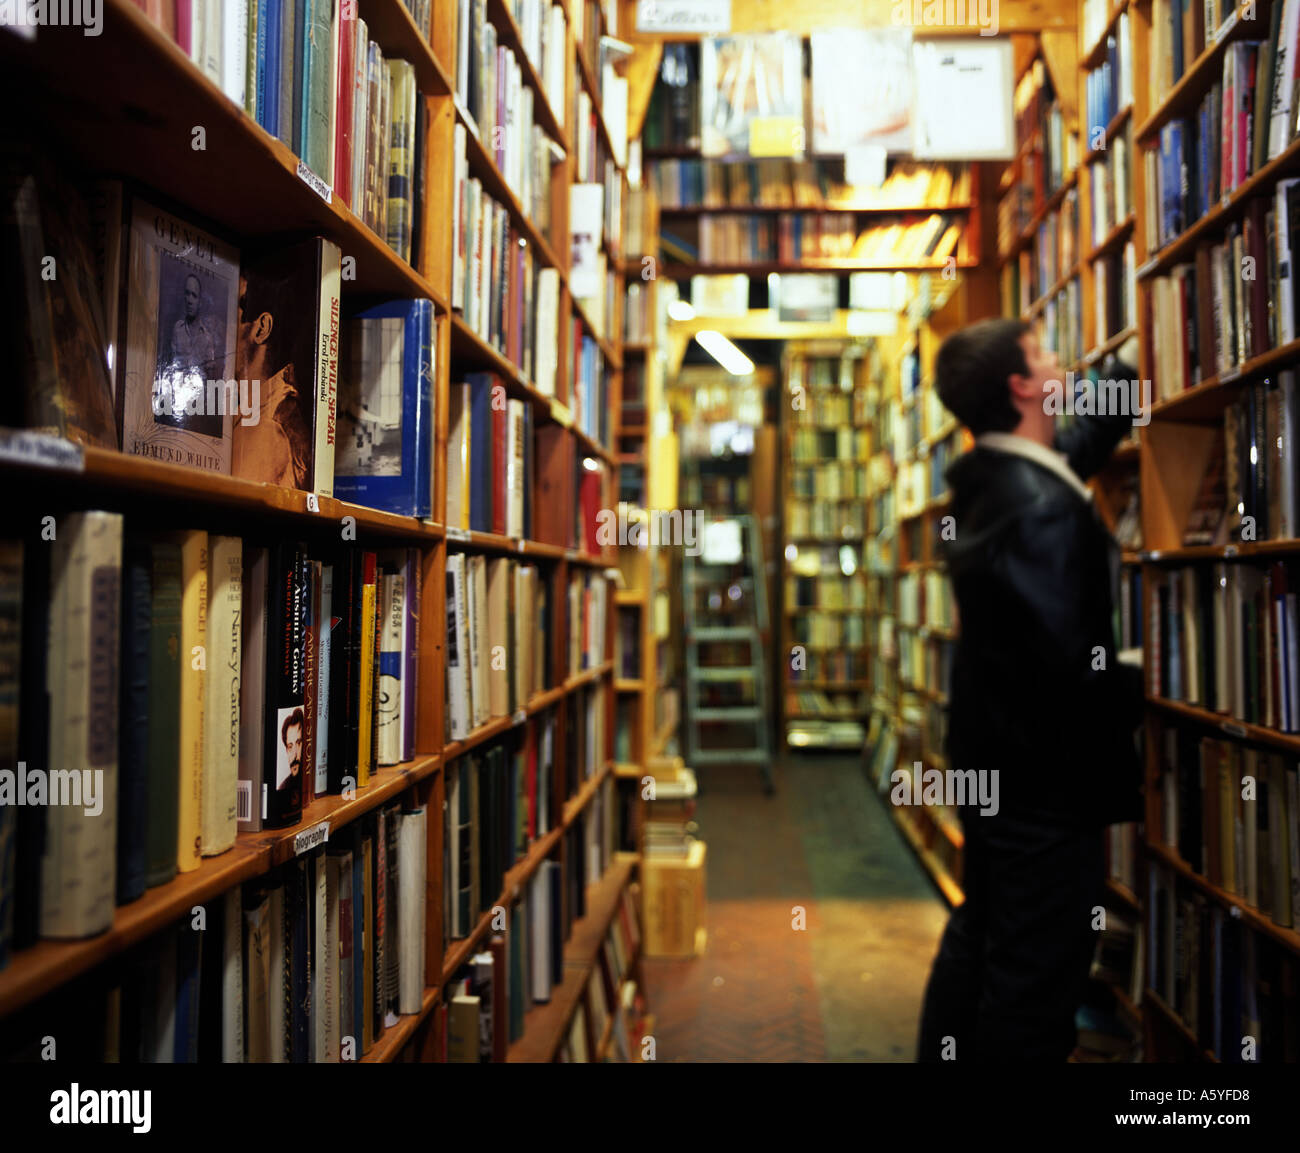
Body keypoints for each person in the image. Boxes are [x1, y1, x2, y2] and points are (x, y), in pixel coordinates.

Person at [916, 319, 1145, 1063]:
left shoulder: (995, 480)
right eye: (1047, 353)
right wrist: (1141, 673)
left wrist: (1132, 364)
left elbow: (1069, 451)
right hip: (1043, 789)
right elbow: (1070, 675)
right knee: (1035, 980)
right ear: (1021, 384)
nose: (1062, 361)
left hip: (991, 768)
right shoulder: (1041, 508)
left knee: (981, 935)